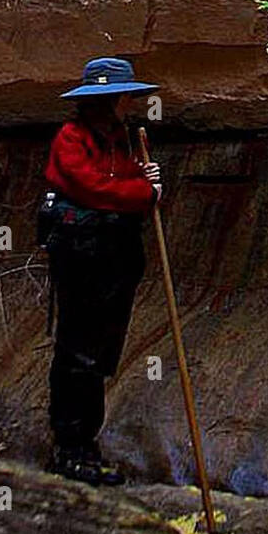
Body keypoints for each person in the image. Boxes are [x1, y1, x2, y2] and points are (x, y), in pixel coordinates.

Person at [42, 57, 161, 486]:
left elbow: (120, 178)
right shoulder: (71, 138)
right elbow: (93, 188)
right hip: (81, 252)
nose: (130, 104)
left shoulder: (116, 137)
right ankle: (70, 448)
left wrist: (143, 176)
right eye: (124, 96)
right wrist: (145, 192)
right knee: (79, 349)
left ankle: (84, 446)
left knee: (100, 351)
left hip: (114, 253)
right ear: (106, 100)